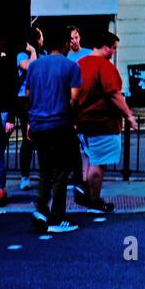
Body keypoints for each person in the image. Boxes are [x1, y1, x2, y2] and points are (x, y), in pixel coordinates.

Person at [24, 25, 82, 233]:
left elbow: (29, 95)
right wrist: (74, 119)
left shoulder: (34, 66)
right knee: (60, 172)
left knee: (44, 170)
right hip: (60, 123)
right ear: (66, 43)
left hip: (38, 124)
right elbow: (75, 99)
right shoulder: (70, 67)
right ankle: (57, 217)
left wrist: (31, 121)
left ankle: (41, 209)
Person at [75, 32, 139, 213]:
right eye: (114, 48)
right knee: (99, 163)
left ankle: (86, 192)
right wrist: (129, 115)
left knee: (89, 157)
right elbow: (113, 94)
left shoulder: (80, 64)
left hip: (83, 122)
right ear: (105, 47)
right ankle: (94, 201)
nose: (114, 52)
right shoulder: (104, 66)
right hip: (102, 123)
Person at [65, 26, 91, 202]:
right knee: (71, 145)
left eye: (76, 37)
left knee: (87, 146)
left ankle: (85, 179)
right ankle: (76, 176)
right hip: (70, 104)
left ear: (80, 37)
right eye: (71, 38)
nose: (74, 41)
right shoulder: (65, 58)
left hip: (85, 104)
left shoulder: (88, 54)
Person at [16, 25, 43, 191]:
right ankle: (24, 176)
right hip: (24, 100)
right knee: (29, 139)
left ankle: (43, 173)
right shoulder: (22, 55)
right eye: (40, 36)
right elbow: (30, 67)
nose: (42, 40)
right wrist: (32, 51)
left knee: (42, 138)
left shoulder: (44, 55)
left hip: (40, 98)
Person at [0, 39, 18, 205]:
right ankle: (0, 190)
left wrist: (10, 117)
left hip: (3, 112)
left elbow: (13, 91)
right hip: (3, 112)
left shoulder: (5, 63)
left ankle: (0, 190)